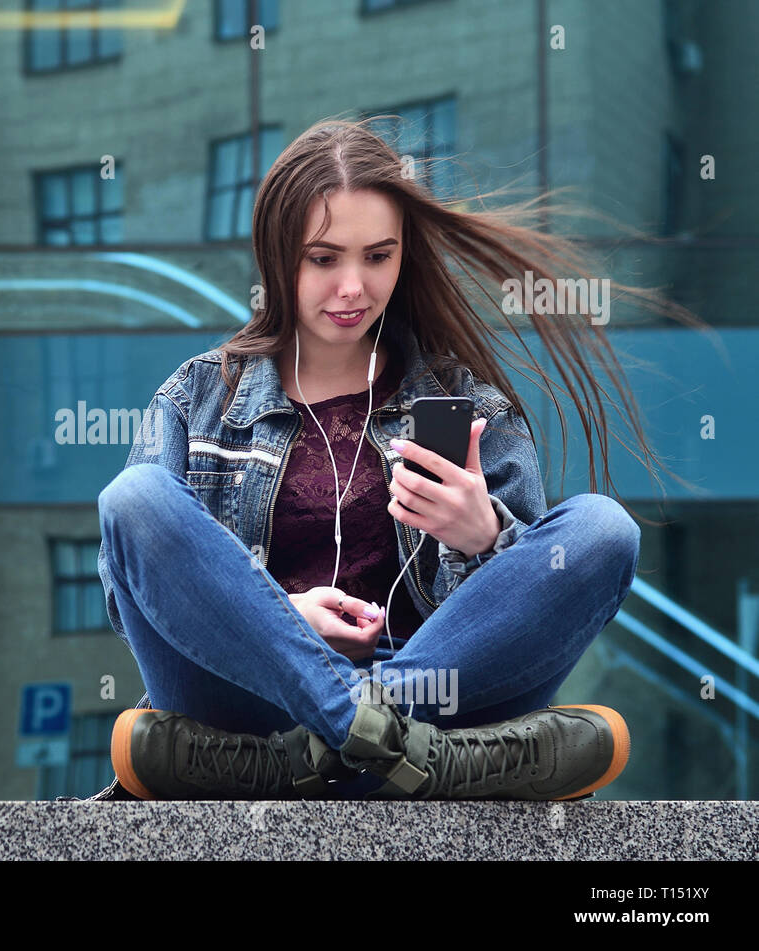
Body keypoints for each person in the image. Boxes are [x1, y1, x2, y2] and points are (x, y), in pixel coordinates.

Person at [93, 118, 709, 801]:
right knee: (134, 499)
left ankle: (330, 753)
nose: (353, 287)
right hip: (248, 708)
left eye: (377, 256)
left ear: (403, 256)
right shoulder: (196, 396)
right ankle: (393, 750)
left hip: (428, 705)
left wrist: (482, 539)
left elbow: (523, 615)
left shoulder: (467, 403)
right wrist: (282, 617)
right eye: (323, 259)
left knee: (603, 530)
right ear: (277, 257)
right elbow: (131, 600)